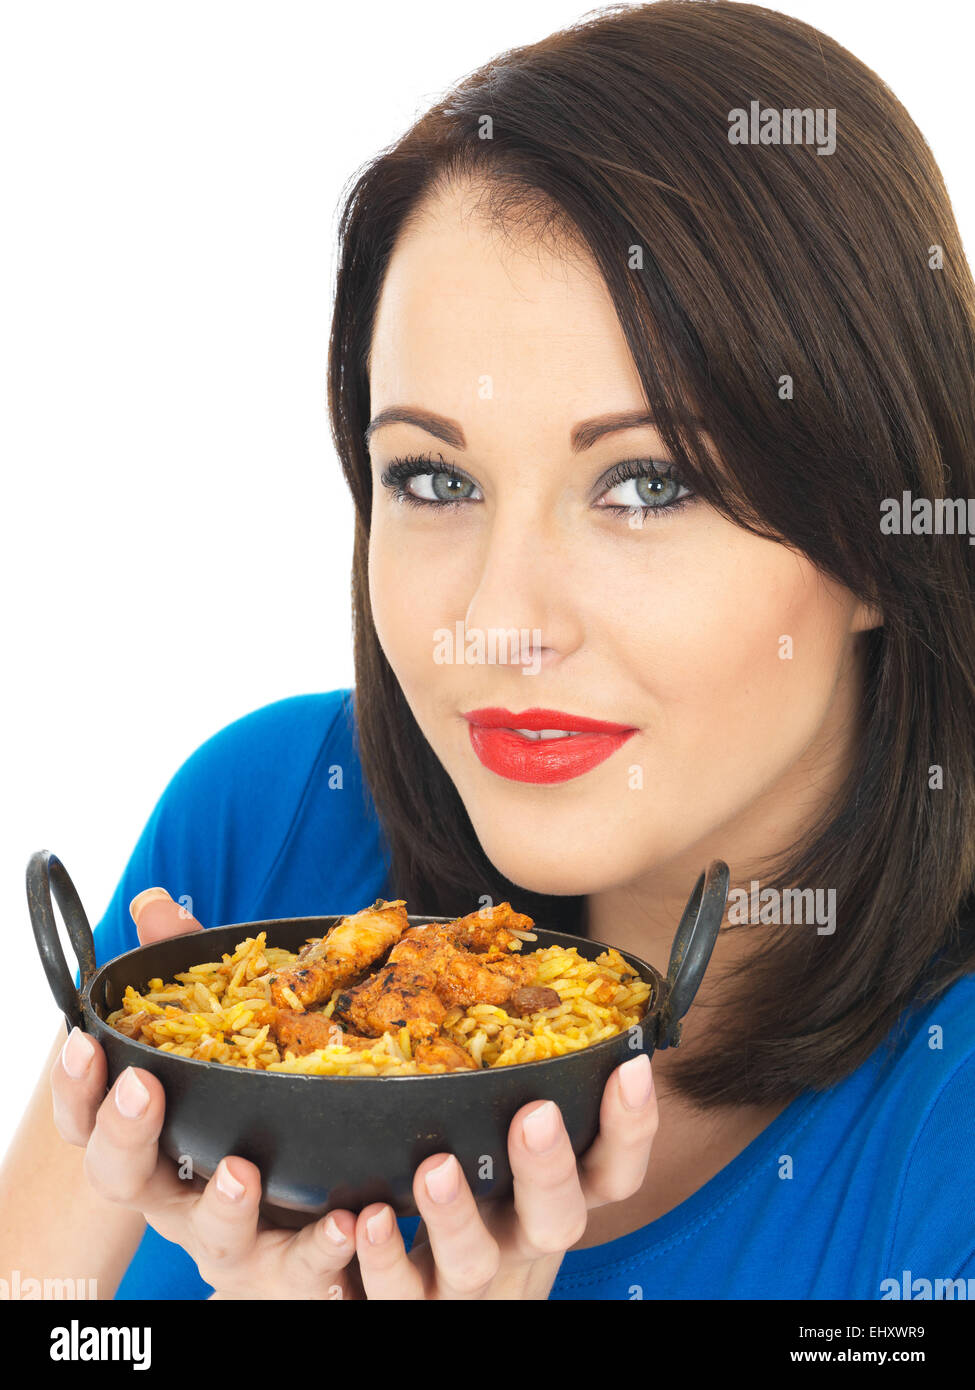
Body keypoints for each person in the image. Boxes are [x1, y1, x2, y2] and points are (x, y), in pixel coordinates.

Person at [4, 0, 975, 1300]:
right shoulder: (260, 832)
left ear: (874, 531)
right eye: (435, 479)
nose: (499, 619)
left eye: (646, 482)